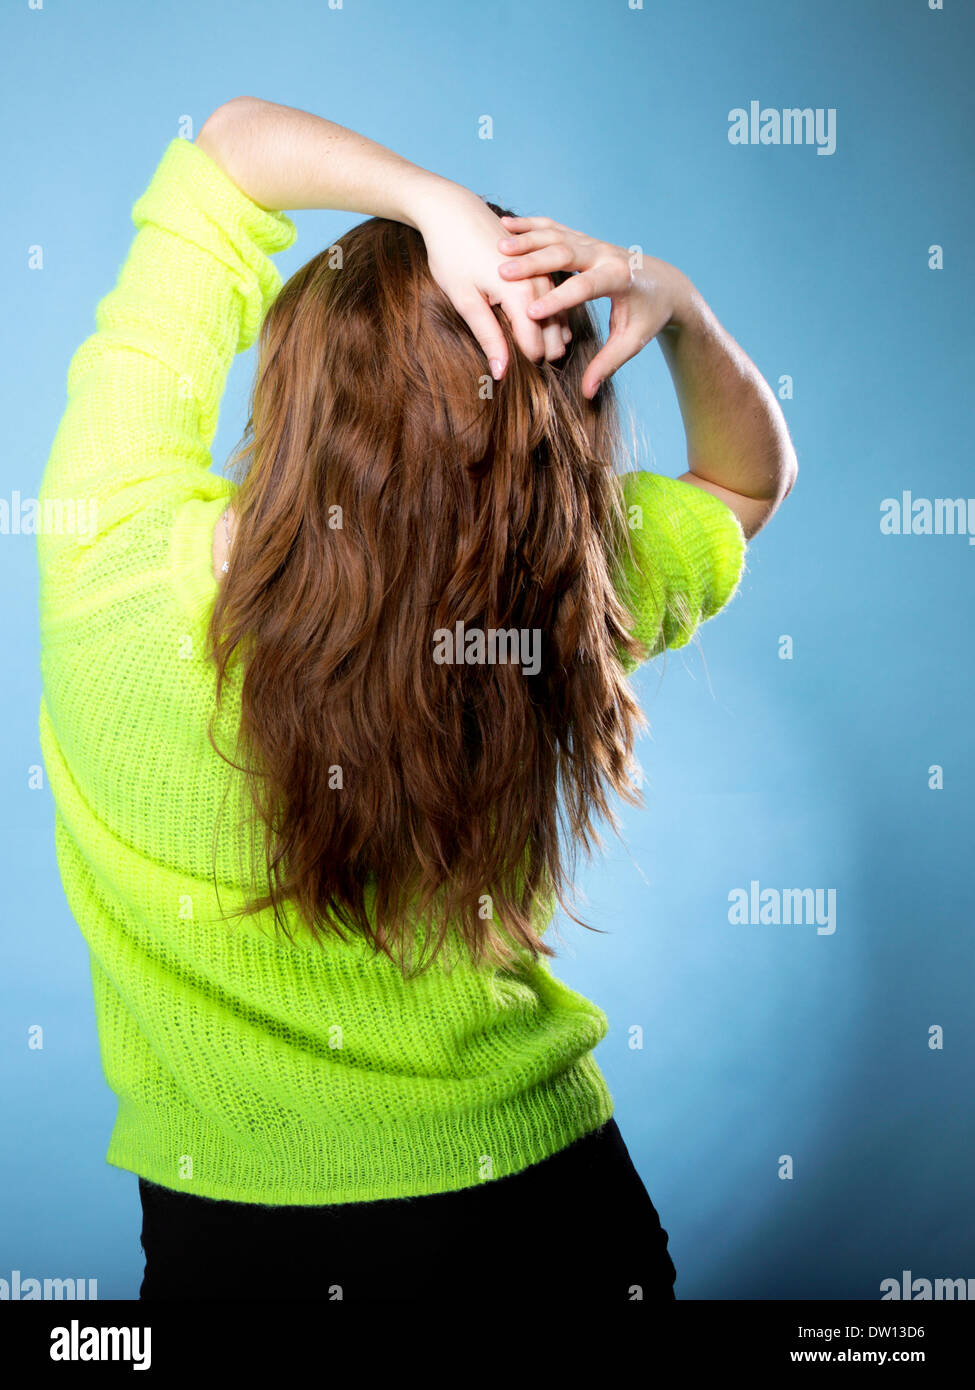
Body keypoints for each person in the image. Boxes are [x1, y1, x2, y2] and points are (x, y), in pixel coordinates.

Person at [36, 96, 797, 1303]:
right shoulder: (563, 595)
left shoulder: (105, 560)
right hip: (549, 1223)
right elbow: (749, 481)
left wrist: (424, 205)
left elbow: (229, 150)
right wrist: (680, 304)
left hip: (235, 1251)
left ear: (295, 388)